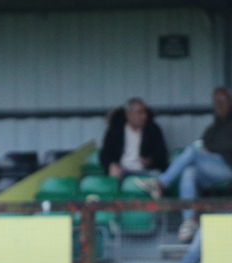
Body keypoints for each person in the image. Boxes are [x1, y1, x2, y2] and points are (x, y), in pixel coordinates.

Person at [155, 87, 232, 243]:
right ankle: (189, 221)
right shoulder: (215, 125)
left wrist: (210, 149)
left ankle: (161, 183)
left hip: (228, 167)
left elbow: (224, 146)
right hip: (214, 168)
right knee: (189, 171)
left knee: (191, 152)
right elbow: (204, 143)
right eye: (216, 101)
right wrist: (208, 149)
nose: (219, 104)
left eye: (222, 100)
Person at [99, 98, 168, 179]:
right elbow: (104, 154)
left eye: (144, 112)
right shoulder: (116, 130)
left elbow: (162, 154)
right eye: (139, 113)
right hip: (122, 171)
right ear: (128, 115)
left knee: (158, 176)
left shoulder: (153, 130)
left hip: (146, 171)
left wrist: (150, 161)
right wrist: (111, 165)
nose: (144, 116)